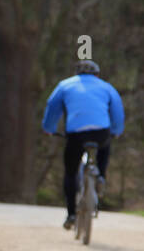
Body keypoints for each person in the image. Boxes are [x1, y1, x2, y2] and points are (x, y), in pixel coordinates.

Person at [41, 60, 124, 229]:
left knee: (70, 173)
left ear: (76, 74)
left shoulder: (65, 85)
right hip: (101, 132)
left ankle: (71, 214)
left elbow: (52, 107)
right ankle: (101, 175)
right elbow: (117, 110)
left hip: (76, 133)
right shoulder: (107, 87)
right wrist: (116, 131)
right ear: (97, 75)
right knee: (105, 146)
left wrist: (49, 128)